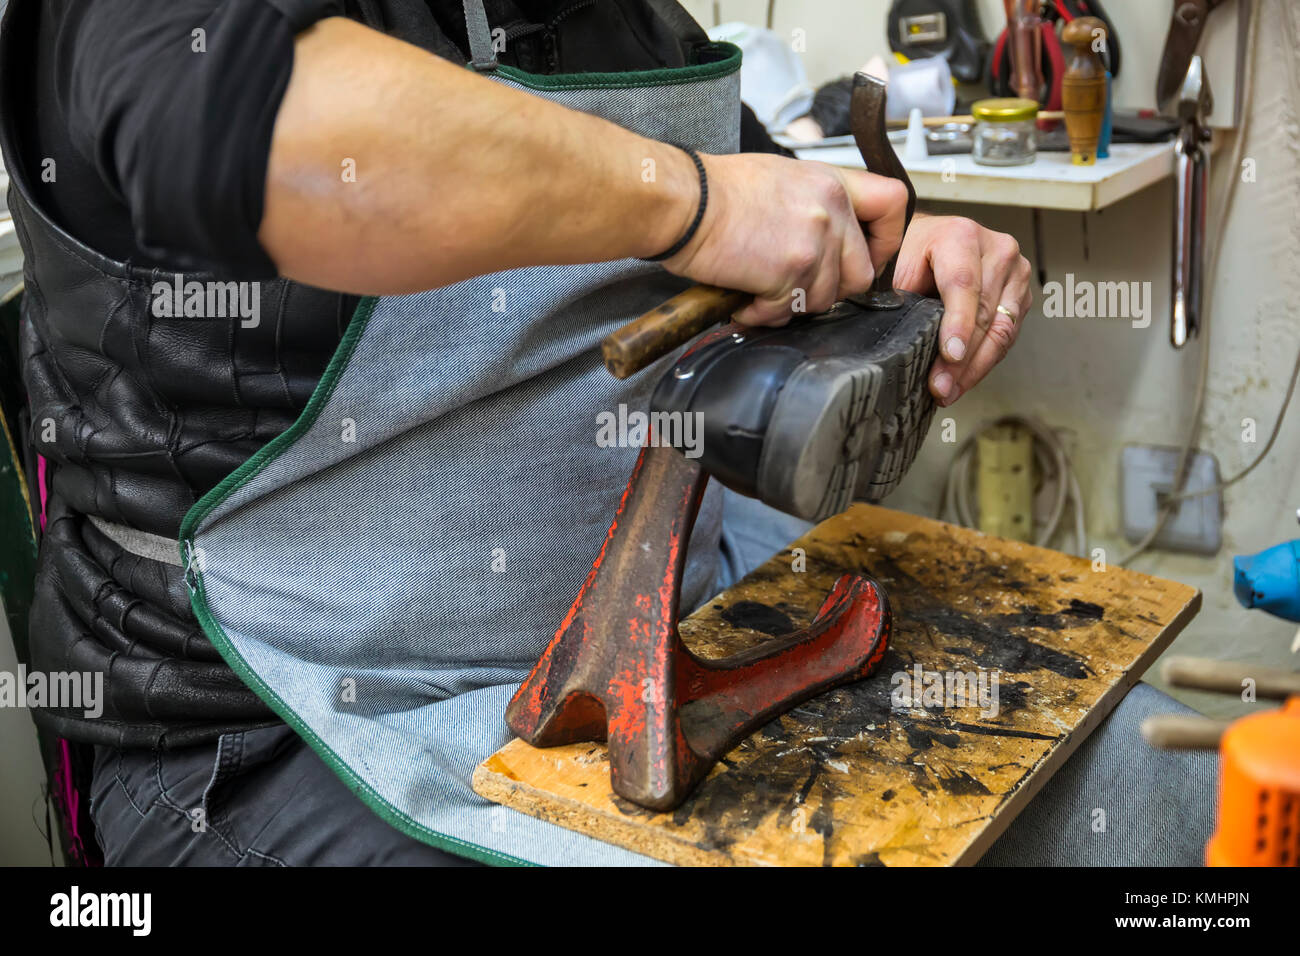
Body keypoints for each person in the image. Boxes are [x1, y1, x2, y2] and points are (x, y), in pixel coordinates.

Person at [2, 0, 1208, 866]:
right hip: (283, 730)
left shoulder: (635, 29)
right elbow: (256, 135)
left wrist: (901, 255)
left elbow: (786, 235)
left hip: (683, 637)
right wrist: (685, 202)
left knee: (1164, 786)